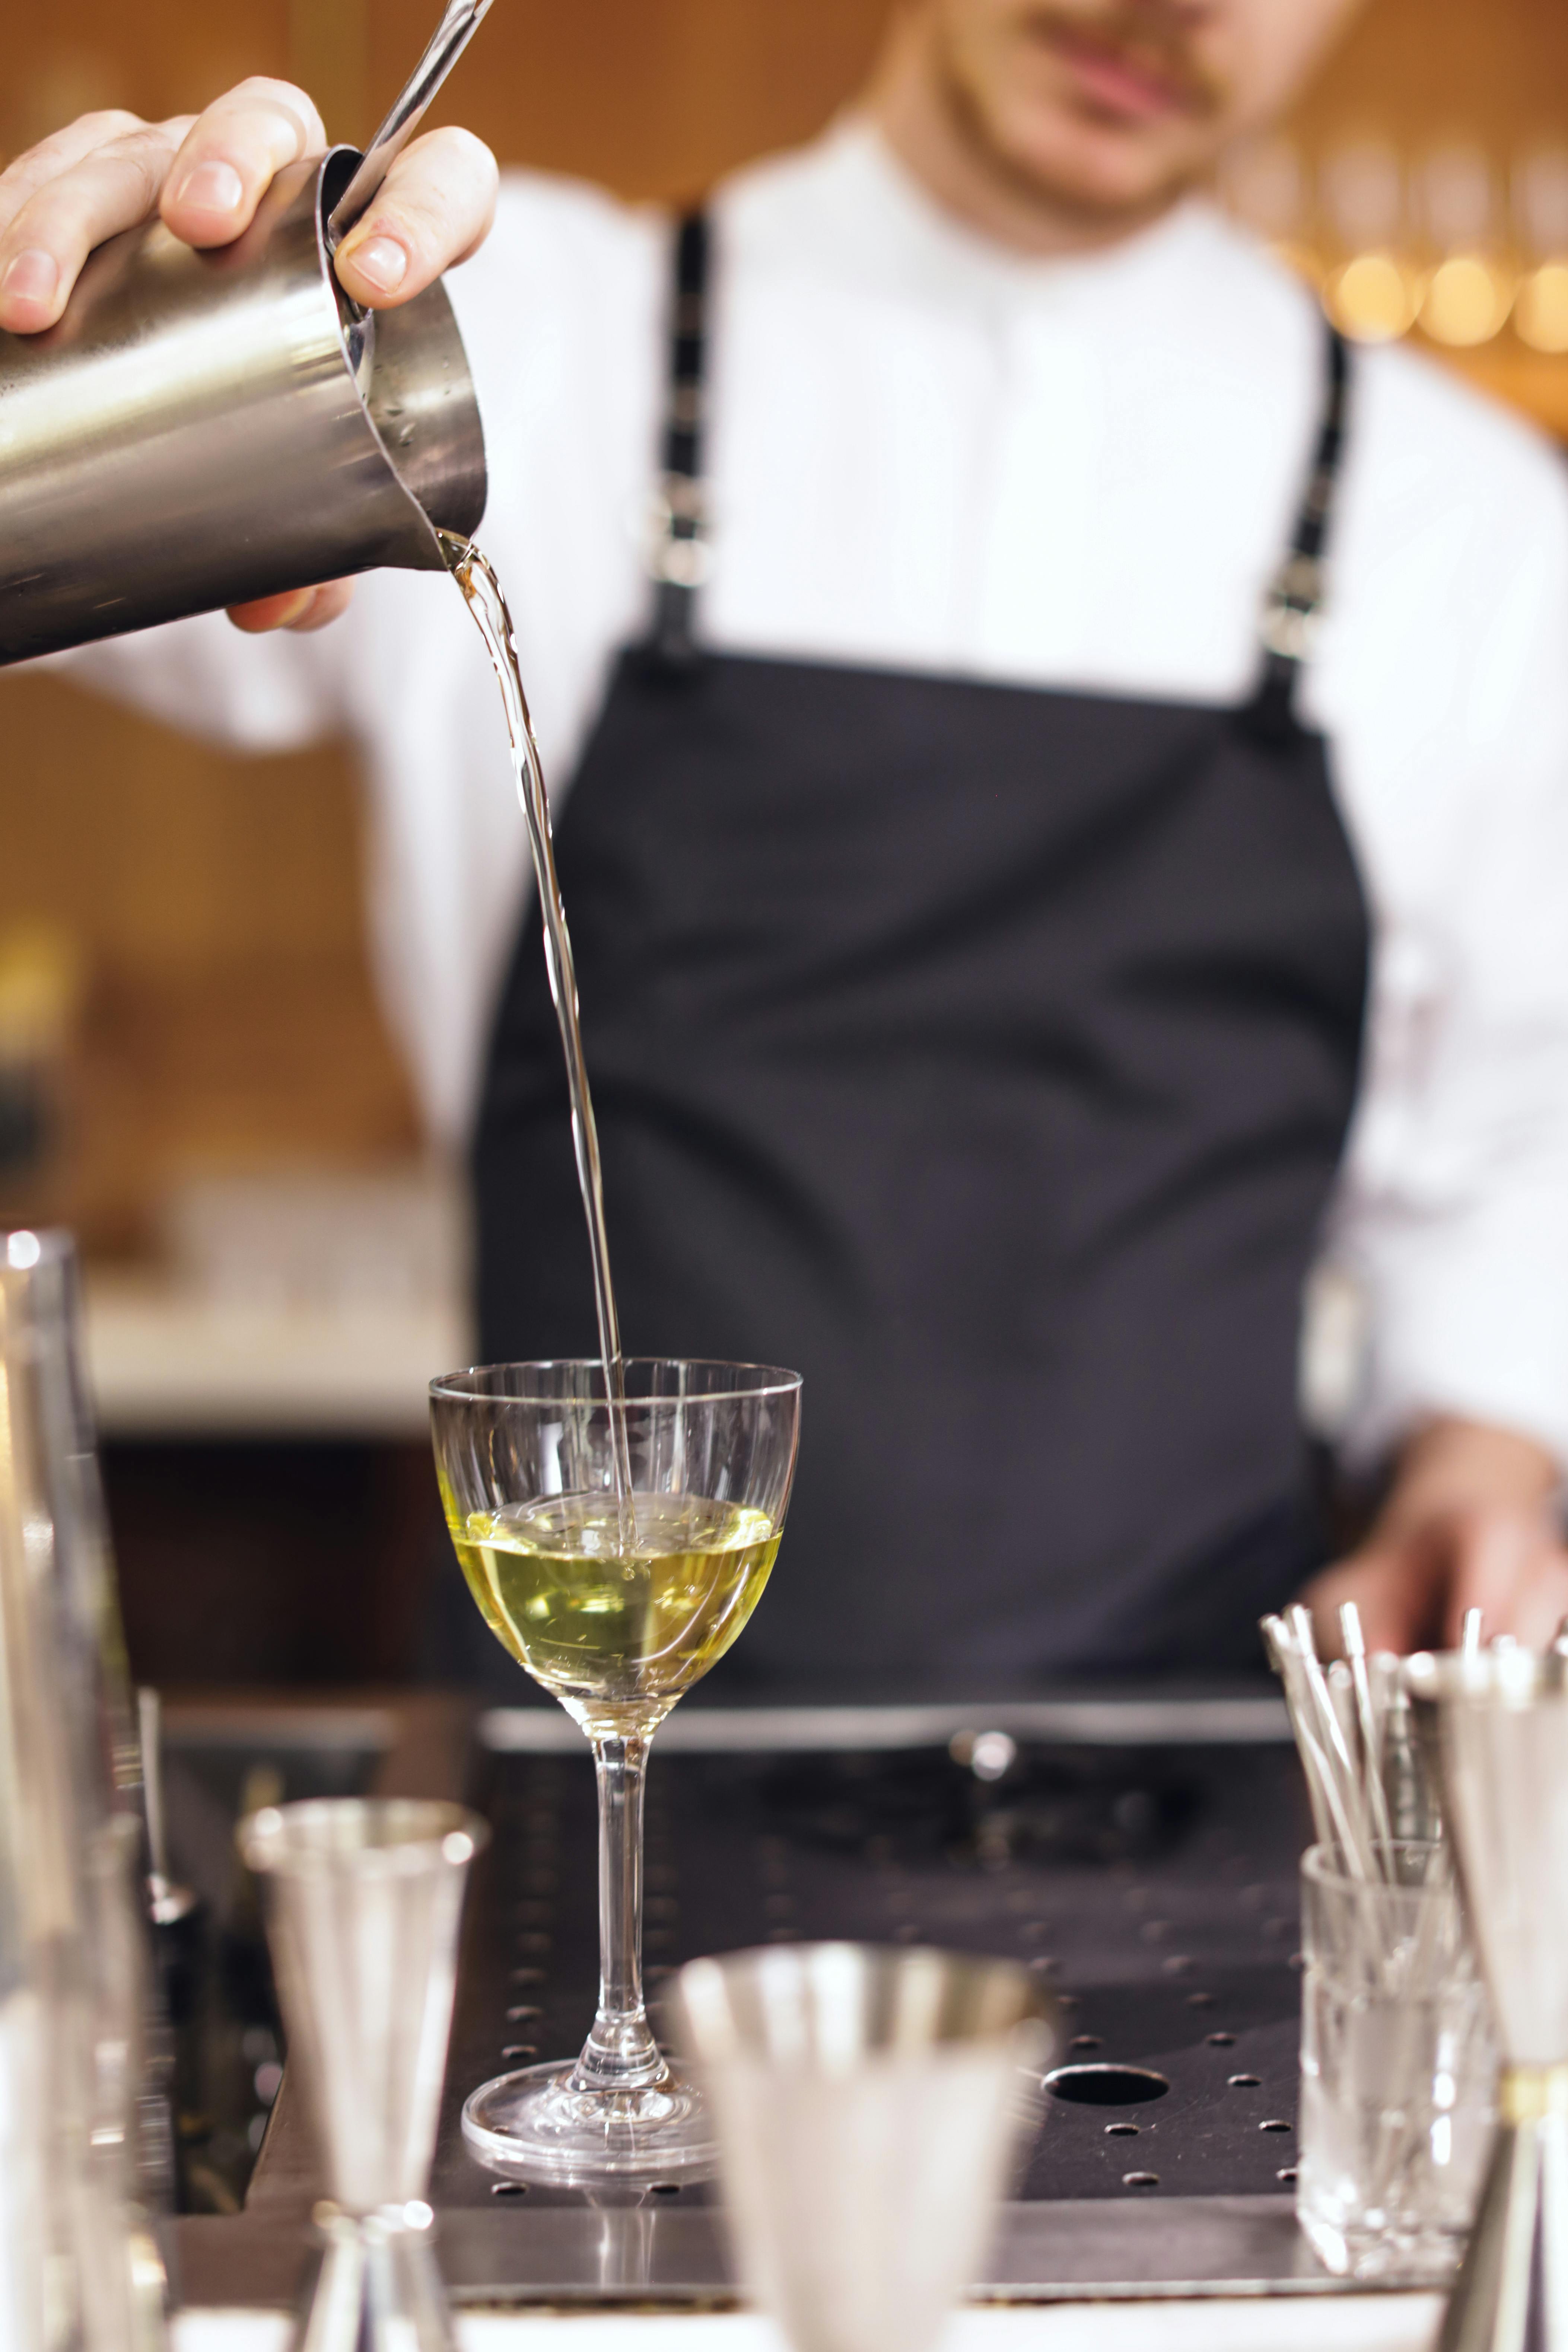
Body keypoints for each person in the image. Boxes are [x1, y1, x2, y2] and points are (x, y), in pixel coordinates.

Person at [4, 0, 1568, 1687]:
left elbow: (1505, 1151)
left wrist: (1481, 1456)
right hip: (591, 1752)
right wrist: (93, 325)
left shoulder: (1466, 521)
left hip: (1187, 1784)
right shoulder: (502, 338)